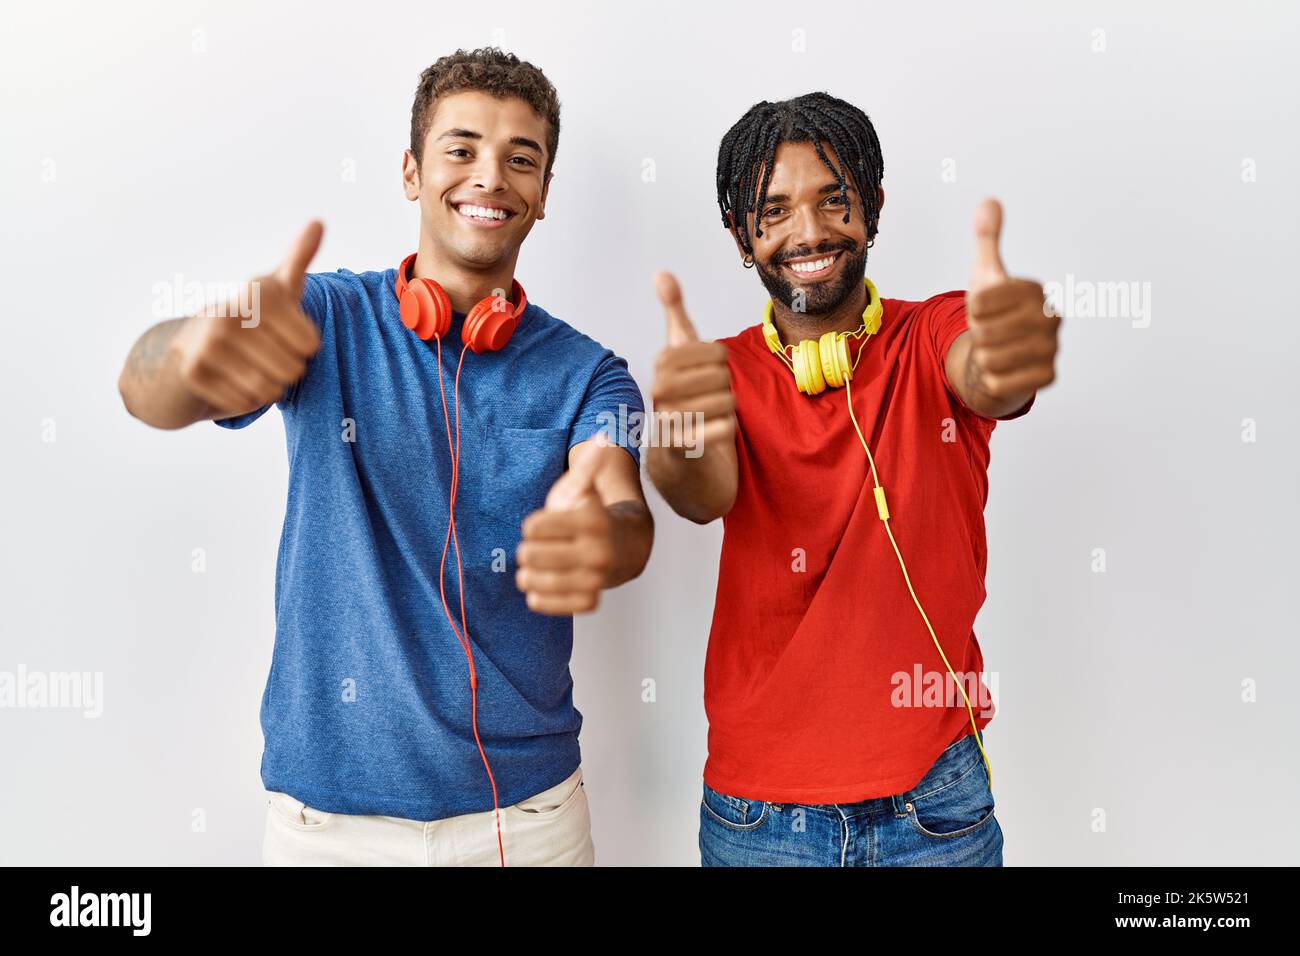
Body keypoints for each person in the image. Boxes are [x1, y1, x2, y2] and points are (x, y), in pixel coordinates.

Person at [117, 48, 653, 867]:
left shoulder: (592, 375)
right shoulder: (319, 317)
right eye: (462, 148)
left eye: (522, 158)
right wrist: (188, 359)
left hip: (527, 823)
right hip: (324, 831)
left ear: (543, 195)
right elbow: (150, 385)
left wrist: (605, 540)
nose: (491, 176)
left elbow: (622, 506)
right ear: (412, 171)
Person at [647, 92, 1060, 866]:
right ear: (743, 236)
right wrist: (678, 431)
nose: (808, 232)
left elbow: (987, 373)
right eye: (774, 212)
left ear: (871, 208)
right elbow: (698, 495)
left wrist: (1005, 353)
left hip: (935, 801)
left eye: (834, 201)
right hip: (758, 819)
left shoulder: (933, 329)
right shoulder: (719, 376)